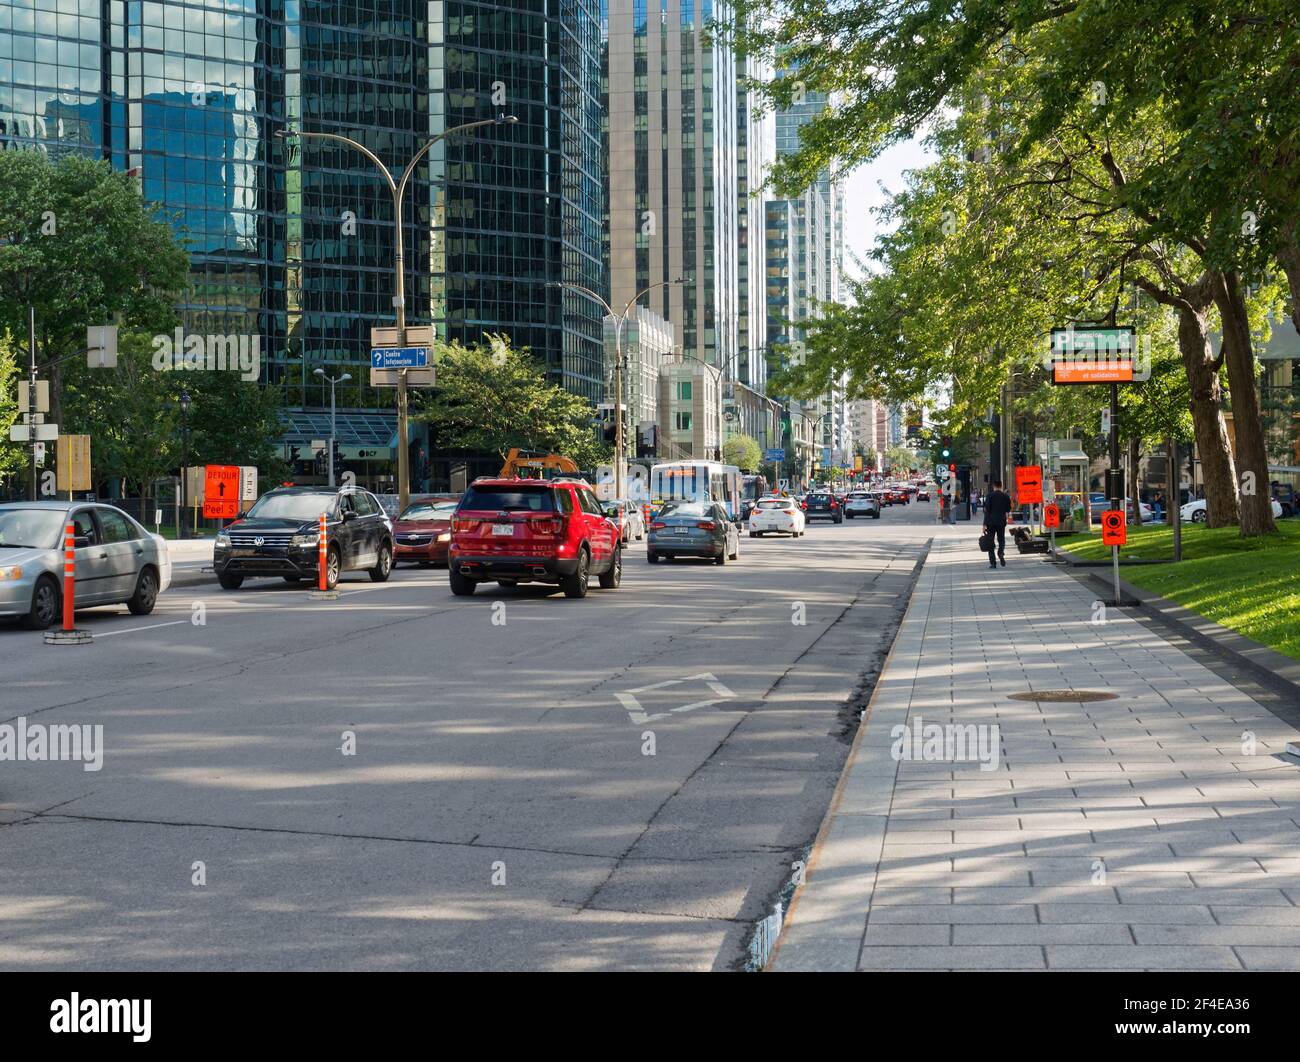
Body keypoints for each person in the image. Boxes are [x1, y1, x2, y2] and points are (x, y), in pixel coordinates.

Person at [983, 479, 1012, 568]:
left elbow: (987, 511)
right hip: (1001, 521)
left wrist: (984, 524)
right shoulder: (1006, 496)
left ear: (994, 486)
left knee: (990, 542)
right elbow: (1008, 509)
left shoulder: (989, 496)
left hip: (990, 522)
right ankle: (1000, 552)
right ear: (1001, 486)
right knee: (1001, 539)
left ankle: (993, 563)